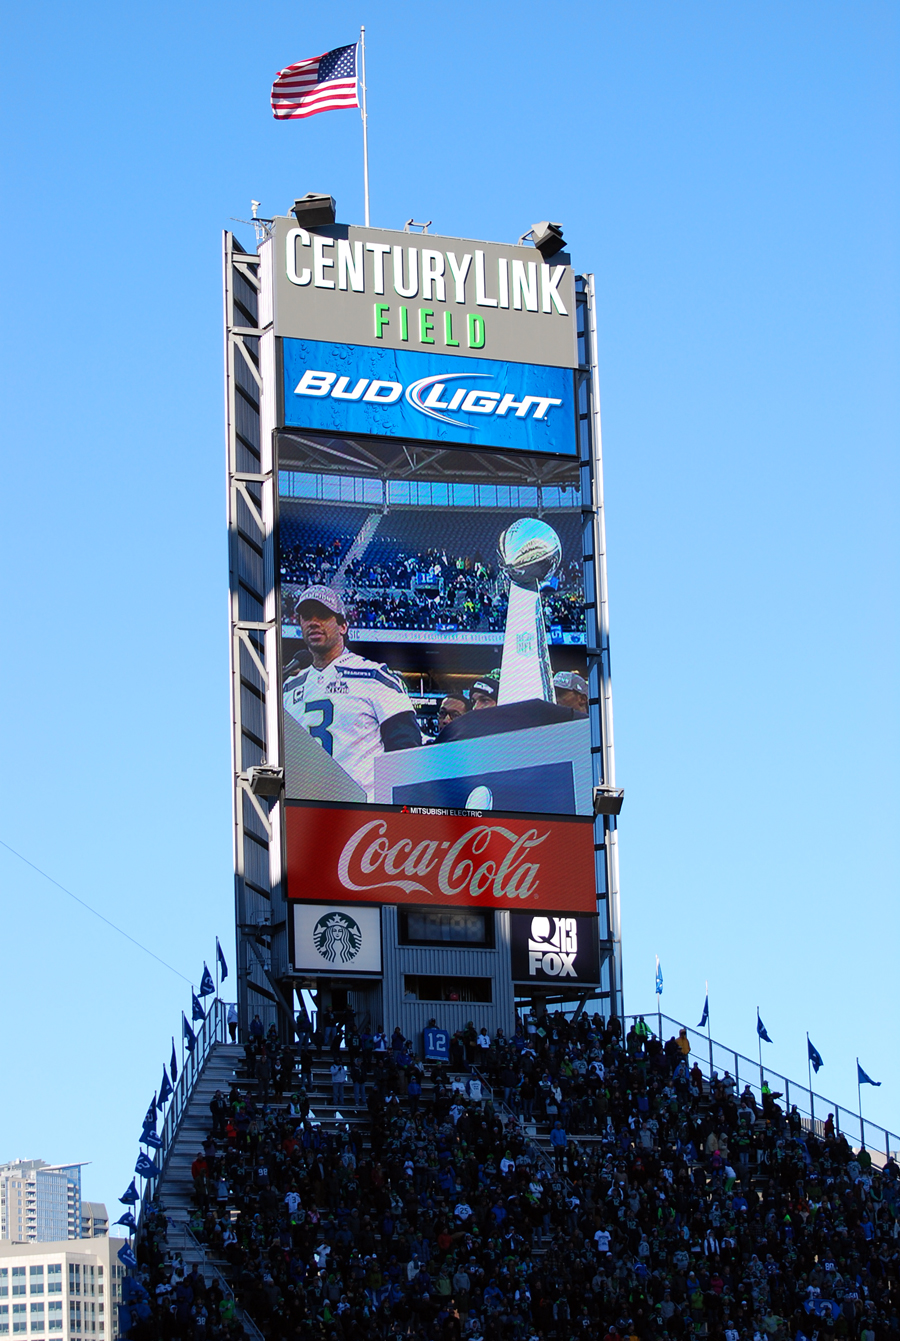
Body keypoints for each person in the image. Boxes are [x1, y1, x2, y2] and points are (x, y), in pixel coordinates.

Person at [283, 586, 422, 800]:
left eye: (322, 615)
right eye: (306, 617)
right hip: (304, 812)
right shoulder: (288, 687)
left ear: (343, 626)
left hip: (360, 812)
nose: (313, 622)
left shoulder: (374, 676)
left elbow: (406, 747)